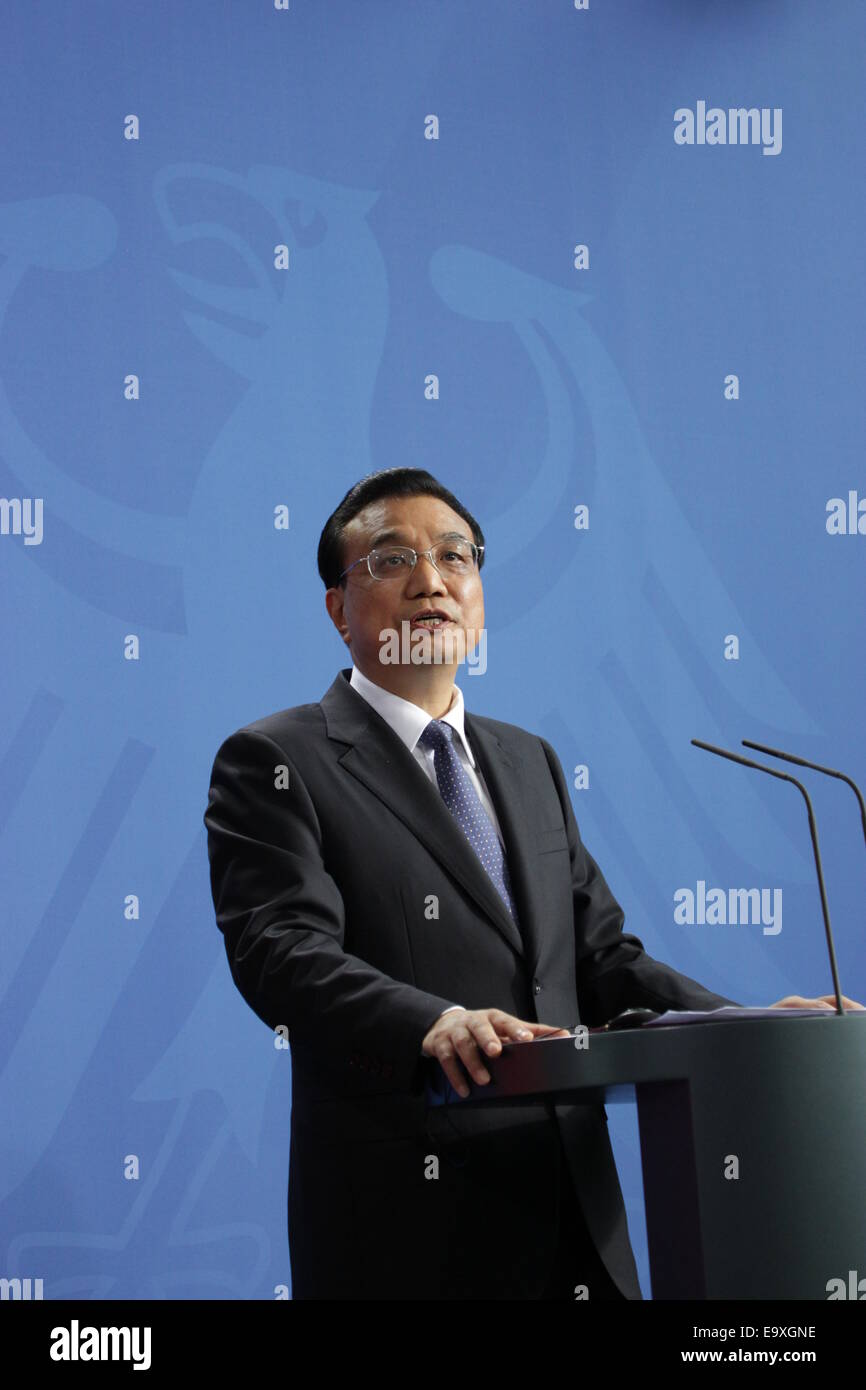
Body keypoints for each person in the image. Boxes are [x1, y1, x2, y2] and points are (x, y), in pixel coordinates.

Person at [204, 467, 861, 1301]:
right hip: (409, 1227)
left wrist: (744, 1027)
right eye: (392, 557)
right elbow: (282, 954)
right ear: (338, 607)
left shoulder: (527, 761)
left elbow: (601, 959)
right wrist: (434, 1021)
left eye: (456, 556)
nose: (431, 580)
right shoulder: (277, 759)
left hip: (575, 1222)